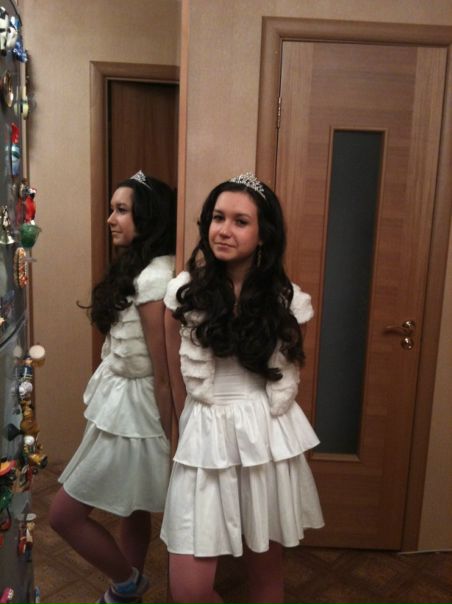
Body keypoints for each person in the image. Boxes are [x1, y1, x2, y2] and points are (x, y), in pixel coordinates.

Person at [162, 172, 324, 604]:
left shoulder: (288, 302)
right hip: (203, 433)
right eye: (218, 218)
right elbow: (175, 380)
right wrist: (181, 434)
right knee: (189, 591)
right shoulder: (182, 294)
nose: (224, 230)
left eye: (240, 221)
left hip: (264, 435)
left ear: (263, 234)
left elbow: (286, 375)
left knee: (265, 574)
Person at [49, 171, 176, 604]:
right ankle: (128, 592)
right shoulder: (139, 266)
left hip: (139, 409)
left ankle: (126, 583)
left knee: (63, 514)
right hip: (121, 400)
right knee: (133, 506)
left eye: (121, 210)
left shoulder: (155, 279)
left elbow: (163, 371)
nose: (110, 219)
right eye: (112, 209)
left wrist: (172, 434)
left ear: (148, 217)